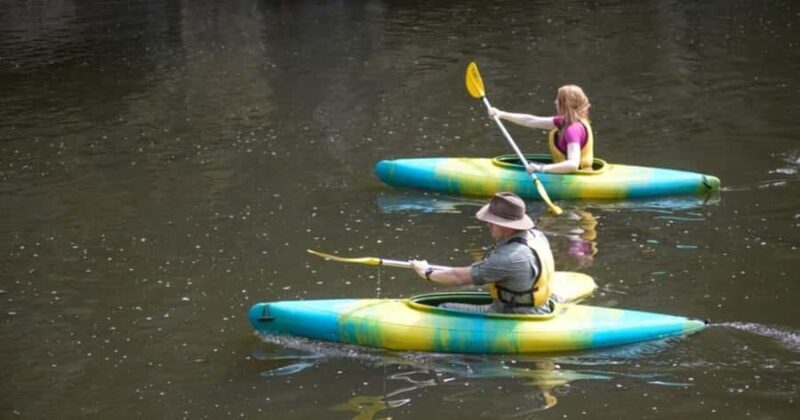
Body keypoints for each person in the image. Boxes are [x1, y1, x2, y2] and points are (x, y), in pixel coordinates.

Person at [410, 192, 555, 314]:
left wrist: (426, 272)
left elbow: (458, 278)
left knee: (443, 308)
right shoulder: (536, 235)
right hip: (538, 305)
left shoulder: (508, 258)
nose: (488, 224)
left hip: (514, 313)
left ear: (506, 225)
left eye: (492, 221)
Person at [489, 84, 594, 174]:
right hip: (568, 173)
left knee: (523, 165)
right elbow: (531, 121)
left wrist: (541, 168)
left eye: (559, 100)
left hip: (577, 176)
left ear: (566, 104)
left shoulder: (573, 130)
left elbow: (573, 165)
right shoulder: (563, 121)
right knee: (521, 163)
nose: (555, 102)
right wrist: (501, 114)